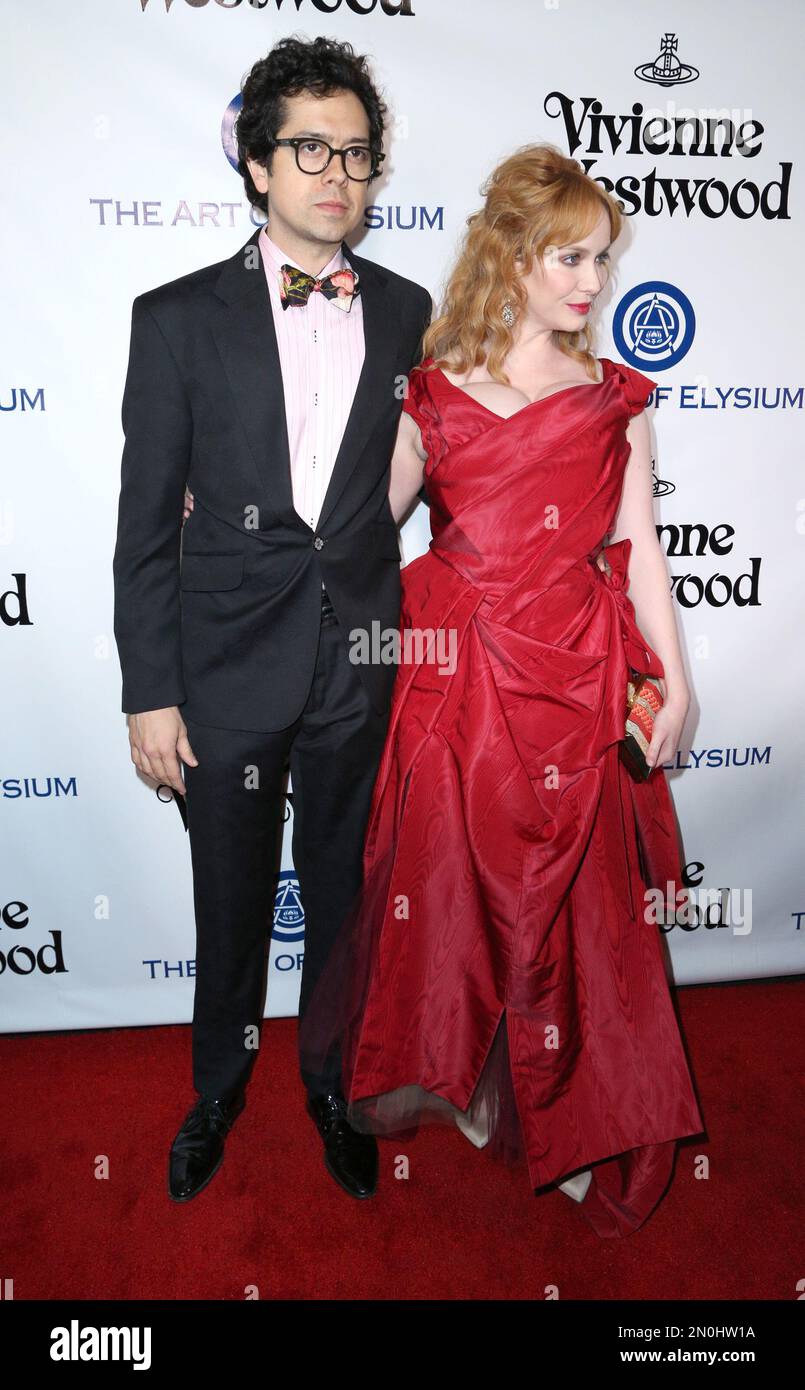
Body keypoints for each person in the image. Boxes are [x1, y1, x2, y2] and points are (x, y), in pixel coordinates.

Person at [295, 144, 706, 1238]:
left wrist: (676, 681)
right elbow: (361, 532)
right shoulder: (429, 393)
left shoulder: (616, 399)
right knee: (454, 905)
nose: (589, 281)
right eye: (568, 255)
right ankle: (483, 1092)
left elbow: (643, 551)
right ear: (511, 255)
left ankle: (564, 1111)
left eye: (601, 260)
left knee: (573, 914)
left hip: (578, 672)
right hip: (457, 678)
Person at [112, 35, 431, 1204]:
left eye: (354, 152)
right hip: (222, 666)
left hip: (356, 659)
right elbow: (145, 525)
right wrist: (151, 690)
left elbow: (397, 479)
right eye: (309, 148)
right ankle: (216, 1094)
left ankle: (333, 1089)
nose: (335, 172)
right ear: (256, 164)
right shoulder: (175, 318)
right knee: (230, 903)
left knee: (343, 897)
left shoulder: (404, 309)